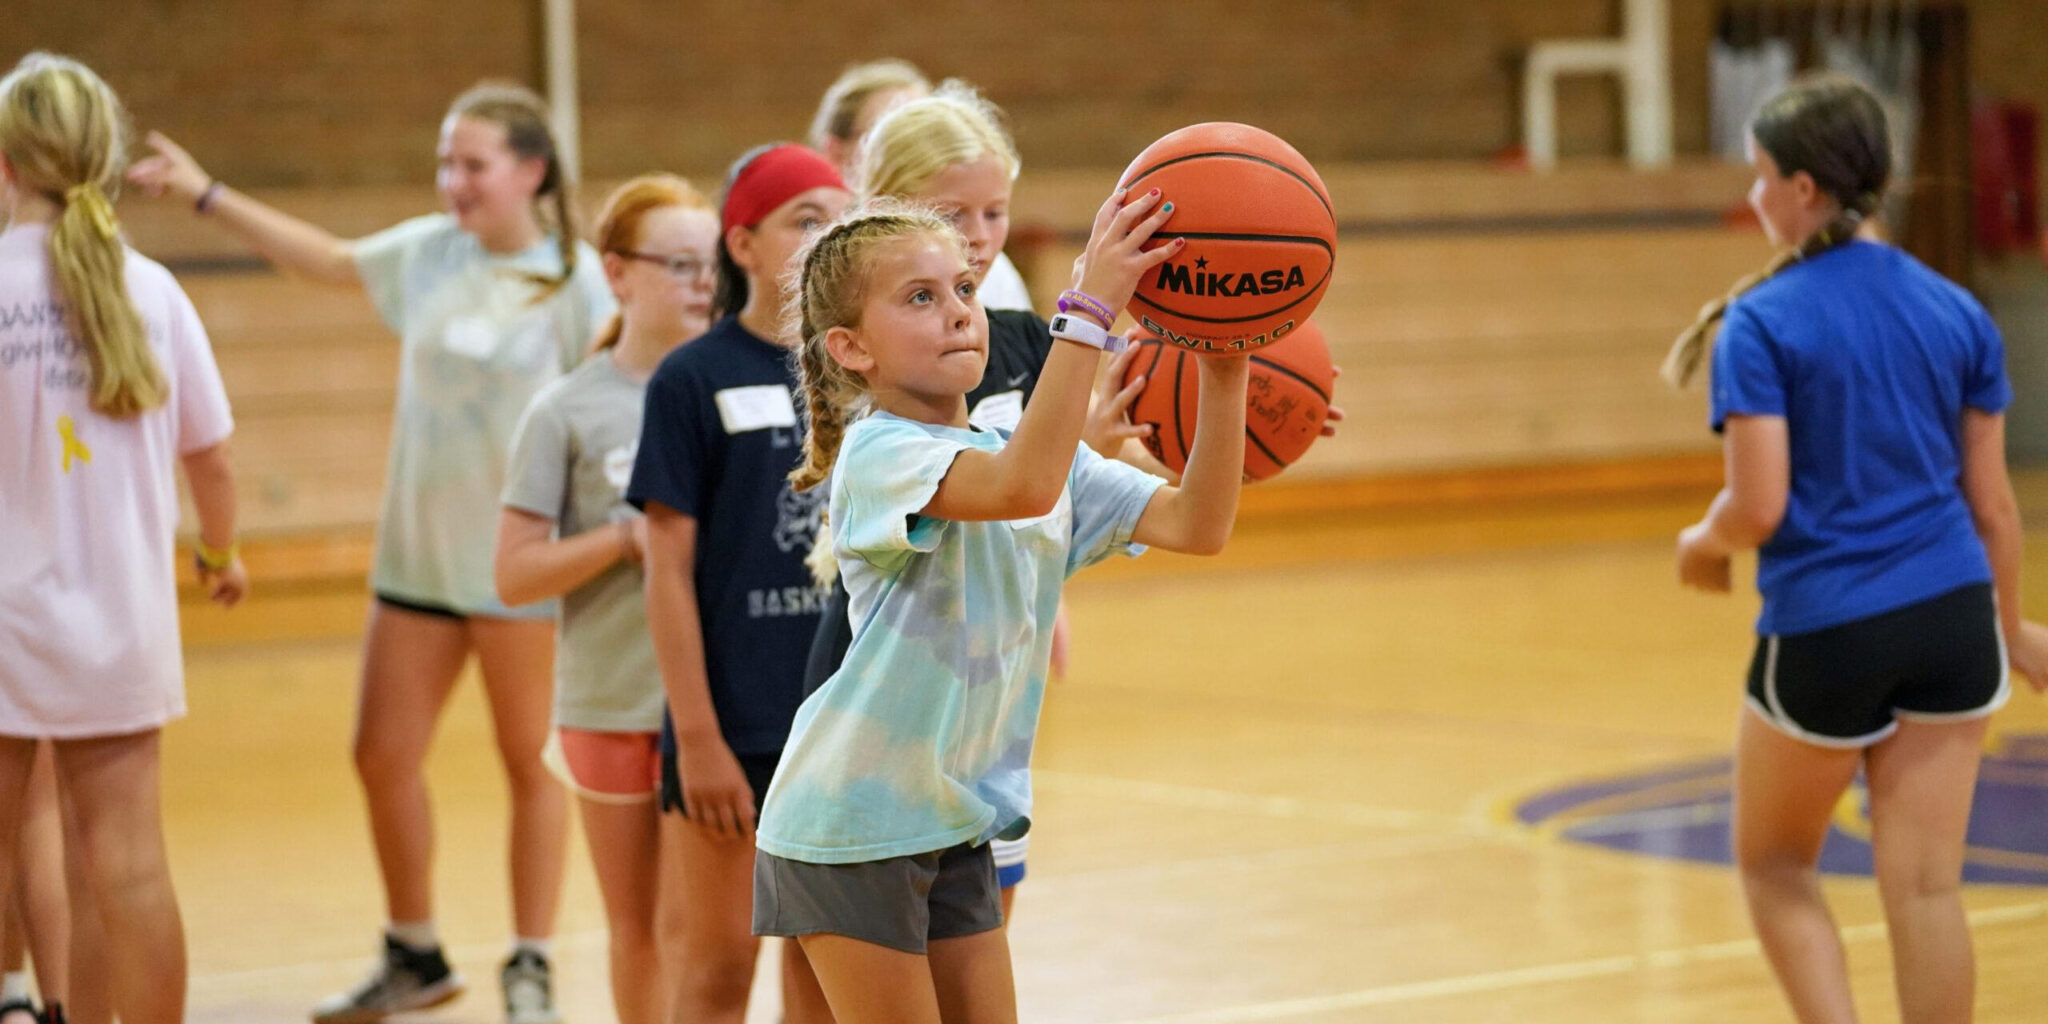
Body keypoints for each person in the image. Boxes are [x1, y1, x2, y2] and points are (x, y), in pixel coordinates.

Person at [127, 82, 614, 1024]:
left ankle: (531, 961)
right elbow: (330, 262)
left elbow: (601, 414)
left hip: (518, 565)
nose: (452, 181)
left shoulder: (574, 282)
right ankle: (414, 950)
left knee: (530, 764)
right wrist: (203, 195)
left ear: (529, 171)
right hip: (415, 565)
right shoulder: (430, 253)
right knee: (381, 754)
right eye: (444, 162)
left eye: (471, 164)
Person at [754, 189, 1249, 1022]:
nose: (957, 313)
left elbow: (1197, 524)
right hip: (852, 827)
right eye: (920, 297)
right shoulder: (882, 452)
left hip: (954, 820)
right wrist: (1090, 310)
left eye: (965, 291)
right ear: (850, 348)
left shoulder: (1026, 461)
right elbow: (1022, 486)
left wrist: (1224, 370)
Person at [1666, 75, 2048, 1024]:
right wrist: (2011, 631)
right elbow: (1995, 507)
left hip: (1832, 628)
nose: (1751, 198)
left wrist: (1699, 543)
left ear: (1805, 190)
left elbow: (1758, 505)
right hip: (1956, 619)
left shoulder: (1762, 321)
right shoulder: (1956, 309)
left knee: (1775, 863)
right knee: (1925, 892)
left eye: (1760, 177)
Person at [0, 51, 245, 1024]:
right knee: (129, 865)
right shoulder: (153, 291)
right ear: (101, 159)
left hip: (6, 614)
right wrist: (219, 555)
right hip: (122, 621)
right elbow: (213, 463)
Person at [625, 144, 849, 1024]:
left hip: (838, 726)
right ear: (743, 243)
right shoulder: (692, 377)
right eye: (806, 219)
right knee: (717, 973)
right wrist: (699, 738)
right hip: (730, 728)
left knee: (822, 977)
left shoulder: (858, 368)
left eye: (840, 218)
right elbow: (666, 572)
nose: (828, 235)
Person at [494, 174, 717, 1024]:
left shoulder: (730, 390)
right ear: (617, 273)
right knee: (640, 932)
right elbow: (514, 573)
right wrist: (626, 539)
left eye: (710, 267)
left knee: (701, 926)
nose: (701, 284)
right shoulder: (566, 411)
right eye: (678, 265)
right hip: (610, 703)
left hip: (714, 709)